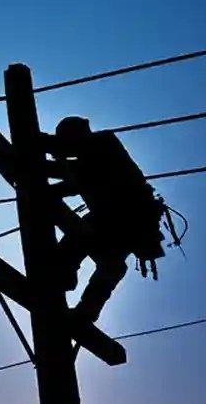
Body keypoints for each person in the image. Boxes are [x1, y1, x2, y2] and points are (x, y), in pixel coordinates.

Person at [50, 116, 171, 323]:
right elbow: (71, 174)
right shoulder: (93, 154)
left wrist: (34, 175)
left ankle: (70, 288)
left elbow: (76, 178)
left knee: (78, 240)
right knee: (112, 264)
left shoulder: (103, 144)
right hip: (126, 223)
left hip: (124, 218)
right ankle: (84, 310)